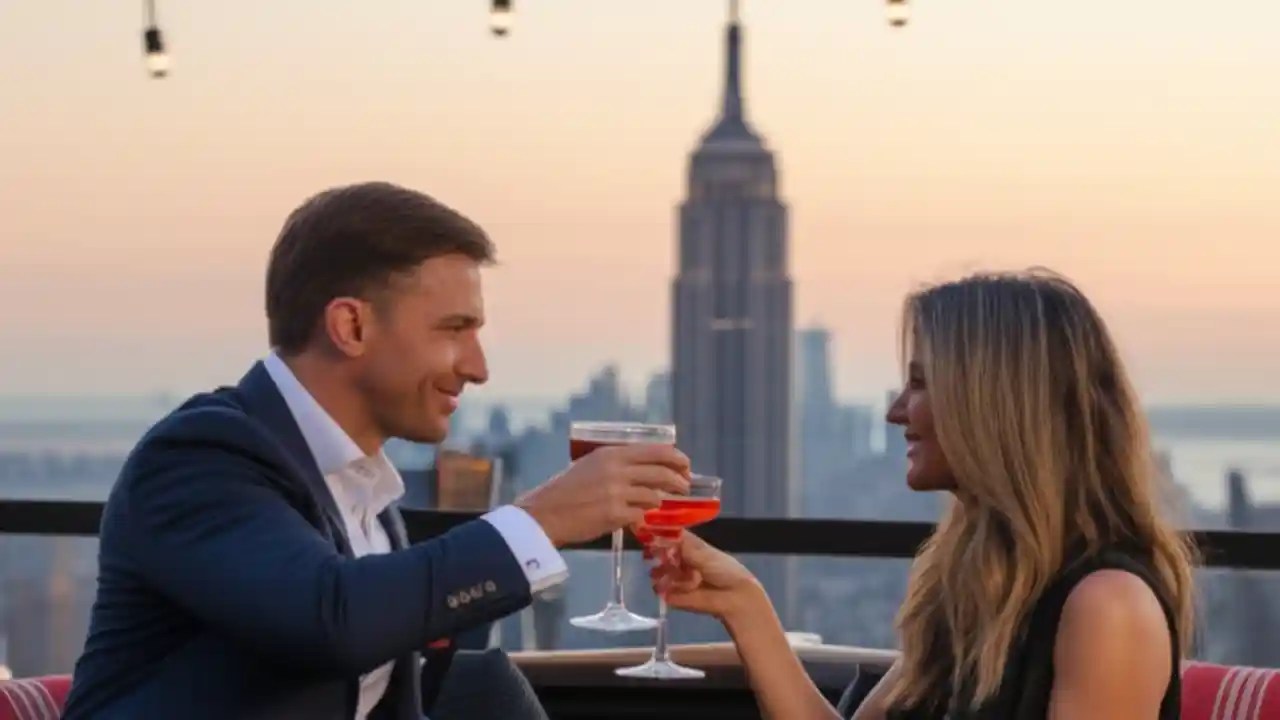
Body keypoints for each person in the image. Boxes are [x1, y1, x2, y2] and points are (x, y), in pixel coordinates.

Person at [63, 181, 691, 720]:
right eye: (453, 331)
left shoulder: (362, 490)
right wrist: (543, 519)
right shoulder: (200, 457)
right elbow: (332, 620)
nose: (477, 367)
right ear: (351, 327)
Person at [651, 269, 1197, 720]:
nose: (895, 413)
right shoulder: (973, 583)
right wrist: (743, 603)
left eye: (920, 384)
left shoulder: (1108, 607)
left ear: (991, 405)